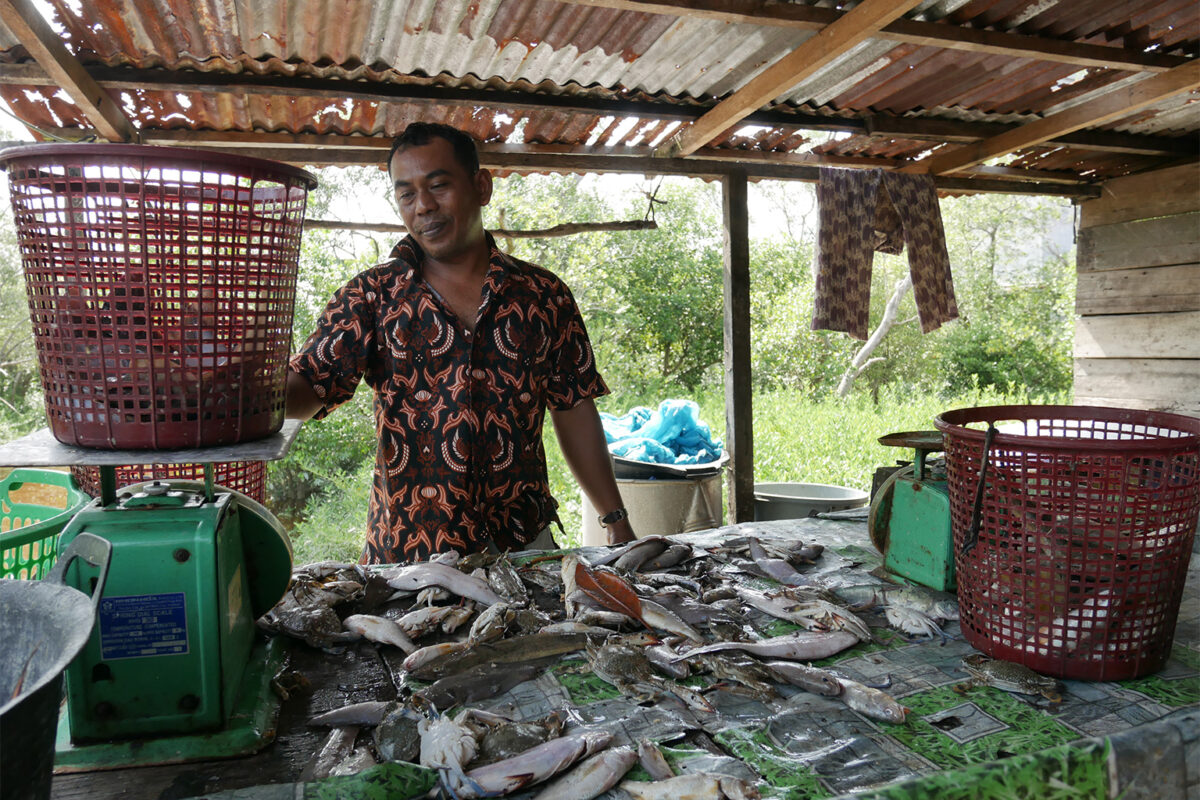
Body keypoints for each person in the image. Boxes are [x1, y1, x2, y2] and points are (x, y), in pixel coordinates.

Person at [286, 122, 635, 563]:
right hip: (410, 553)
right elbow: (309, 389)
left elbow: (575, 408)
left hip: (523, 544)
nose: (424, 206)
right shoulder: (370, 296)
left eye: (438, 185)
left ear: (481, 186)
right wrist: (241, 390)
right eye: (406, 194)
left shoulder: (543, 295)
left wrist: (615, 519)